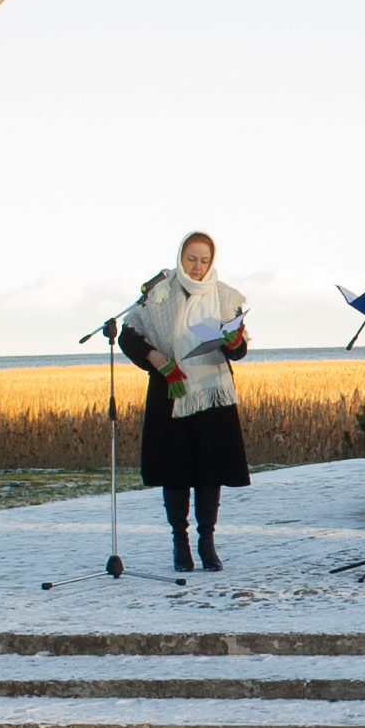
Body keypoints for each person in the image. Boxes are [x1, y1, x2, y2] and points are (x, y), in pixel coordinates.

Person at [113, 232, 251, 574]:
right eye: (192, 258)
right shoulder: (159, 293)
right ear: (180, 257)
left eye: (204, 260)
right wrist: (156, 357)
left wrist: (232, 340)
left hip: (212, 395)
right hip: (170, 390)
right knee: (175, 472)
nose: (198, 266)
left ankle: (207, 541)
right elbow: (129, 335)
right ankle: (180, 543)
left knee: (210, 470)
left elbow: (239, 349)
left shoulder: (224, 296)